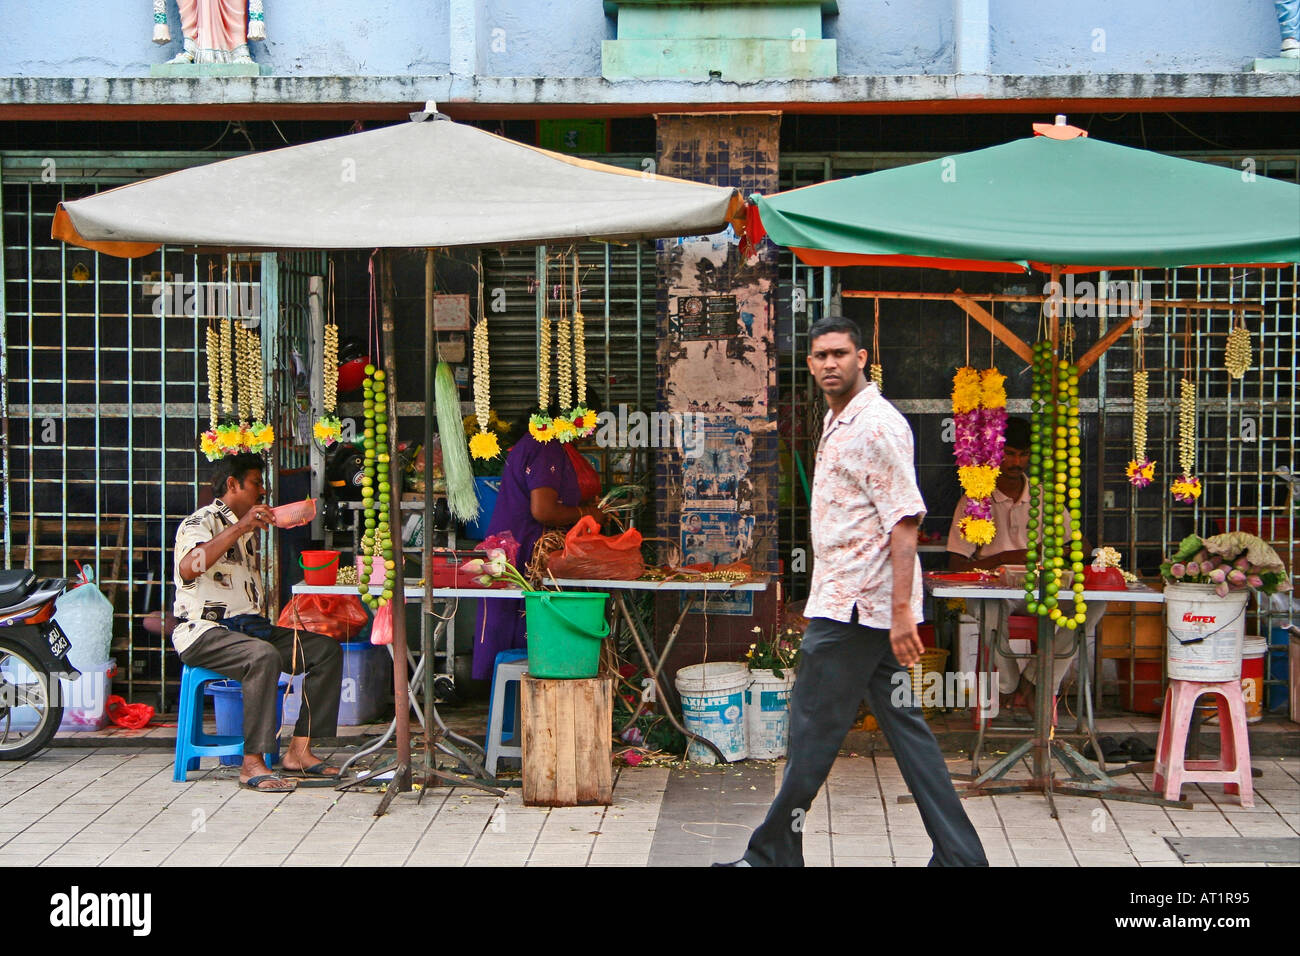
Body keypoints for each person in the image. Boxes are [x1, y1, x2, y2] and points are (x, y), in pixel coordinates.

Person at [716, 317, 987, 867]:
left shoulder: (876, 425)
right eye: (819, 356)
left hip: (856, 609)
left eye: (840, 354)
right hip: (854, 604)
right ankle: (962, 858)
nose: (829, 364)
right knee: (908, 734)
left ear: (862, 357)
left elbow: (904, 522)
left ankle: (770, 856)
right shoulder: (838, 418)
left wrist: (903, 612)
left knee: (811, 730)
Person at [172, 452, 342, 793]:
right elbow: (190, 567)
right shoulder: (199, 522)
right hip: (204, 632)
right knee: (262, 656)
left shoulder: (248, 530)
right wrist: (239, 526)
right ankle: (252, 763)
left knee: (325, 651)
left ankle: (299, 752)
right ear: (233, 484)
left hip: (249, 629)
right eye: (256, 484)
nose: (262, 491)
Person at [946, 418, 1105, 719]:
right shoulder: (975, 499)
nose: (1016, 462)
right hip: (996, 593)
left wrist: (1055, 551)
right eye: (1009, 454)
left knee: (1094, 603)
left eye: (1023, 454)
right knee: (987, 609)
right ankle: (1007, 684)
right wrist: (1005, 557)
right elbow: (956, 564)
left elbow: (1081, 548)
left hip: (1043, 590)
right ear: (994, 454)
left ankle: (1037, 679)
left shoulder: (1046, 497)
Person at [471, 408, 607, 681]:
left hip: (519, 546)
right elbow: (543, 511)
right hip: (525, 551)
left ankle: (511, 690)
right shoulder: (546, 447)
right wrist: (587, 514)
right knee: (522, 624)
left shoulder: (541, 443)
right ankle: (519, 690)